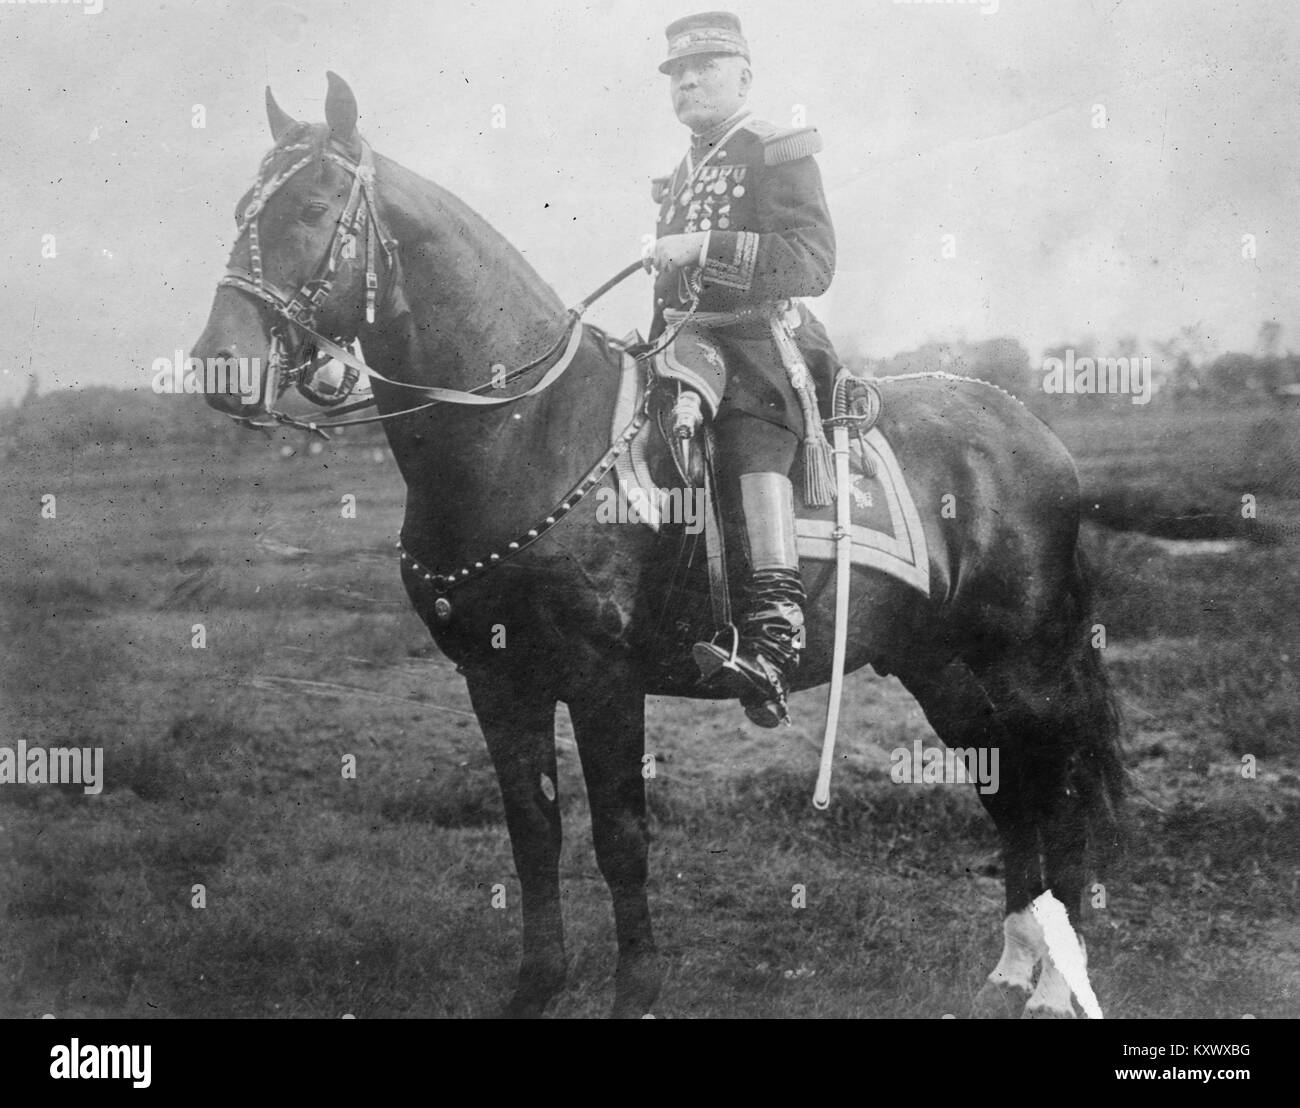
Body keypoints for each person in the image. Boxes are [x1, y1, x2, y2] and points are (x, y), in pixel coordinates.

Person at [648, 10, 849, 727]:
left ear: (744, 76)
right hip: (691, 348)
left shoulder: (777, 149)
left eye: (703, 67)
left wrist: (701, 245)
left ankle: (775, 630)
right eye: (676, 72)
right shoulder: (681, 169)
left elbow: (811, 262)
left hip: (762, 347)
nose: (687, 81)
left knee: (745, 432)